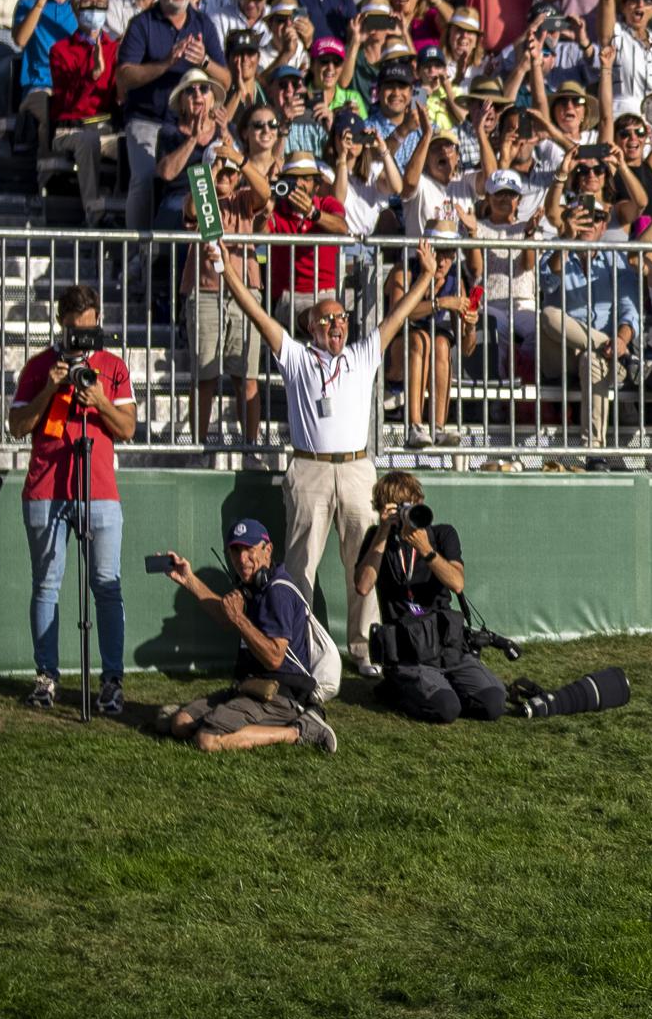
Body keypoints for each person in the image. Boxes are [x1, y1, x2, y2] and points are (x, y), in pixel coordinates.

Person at [215, 237, 439, 676]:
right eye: (326, 319)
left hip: (357, 469)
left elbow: (396, 318)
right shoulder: (297, 357)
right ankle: (297, 648)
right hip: (310, 468)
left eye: (341, 317)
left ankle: (365, 650)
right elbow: (258, 317)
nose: (336, 324)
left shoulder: (361, 354)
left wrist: (427, 275)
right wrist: (229, 274)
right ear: (311, 327)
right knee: (300, 571)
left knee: (365, 562)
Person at [5, 283, 135, 715]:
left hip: (98, 488)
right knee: (46, 585)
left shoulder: (112, 367)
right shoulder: (40, 365)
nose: (82, 338)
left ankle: (112, 679)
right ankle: (47, 676)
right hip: (46, 486)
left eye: (89, 328)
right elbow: (17, 426)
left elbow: (128, 428)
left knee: (106, 585)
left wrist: (97, 399)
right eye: (74, 331)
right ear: (60, 325)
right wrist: (49, 389)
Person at [158, 518, 339, 754]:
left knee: (207, 740)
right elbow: (225, 616)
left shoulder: (278, 591)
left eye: (249, 549)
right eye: (235, 550)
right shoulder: (253, 585)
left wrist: (240, 620)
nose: (242, 559)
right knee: (180, 723)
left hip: (280, 694)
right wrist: (188, 579)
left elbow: (274, 658)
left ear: (268, 550)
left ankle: (301, 730)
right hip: (250, 687)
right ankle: (227, 718)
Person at [355, 468, 505, 724]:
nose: (407, 512)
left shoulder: (442, 534)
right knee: (446, 710)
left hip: (447, 645)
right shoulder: (377, 539)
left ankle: (446, 685)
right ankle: (396, 688)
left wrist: (426, 550)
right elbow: (363, 586)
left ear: (421, 502)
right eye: (399, 507)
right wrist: (382, 533)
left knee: (493, 703)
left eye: (412, 504)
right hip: (408, 652)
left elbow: (457, 583)